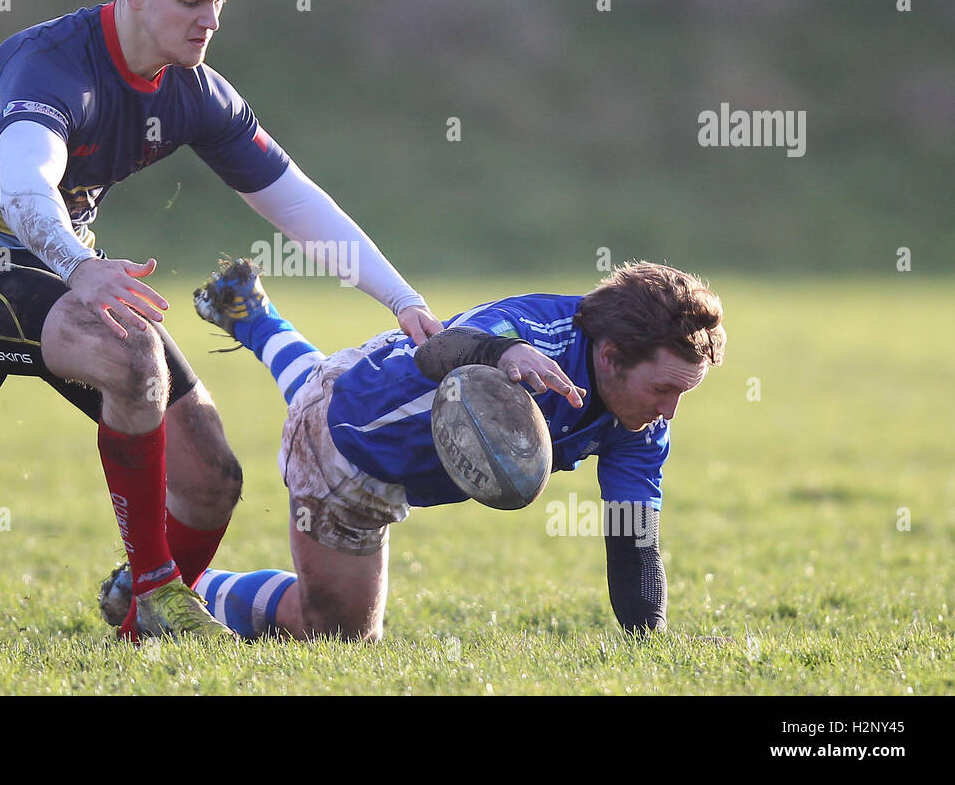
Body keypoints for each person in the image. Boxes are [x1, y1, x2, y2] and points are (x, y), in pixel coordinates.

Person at [0, 0, 441, 640]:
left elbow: (298, 205)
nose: (209, 18)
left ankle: (137, 636)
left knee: (213, 480)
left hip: (58, 275)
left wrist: (401, 300)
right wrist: (82, 268)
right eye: (191, 0)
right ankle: (156, 590)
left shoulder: (194, 92)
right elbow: (24, 192)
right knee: (130, 350)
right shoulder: (53, 66)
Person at [99, 258, 725, 641]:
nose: (671, 409)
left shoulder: (640, 418)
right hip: (347, 458)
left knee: (324, 384)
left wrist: (651, 646)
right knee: (336, 636)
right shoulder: (532, 330)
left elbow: (632, 535)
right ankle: (176, 586)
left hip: (363, 380)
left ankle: (253, 313)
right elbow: (440, 350)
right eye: (667, 388)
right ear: (611, 357)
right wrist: (499, 355)